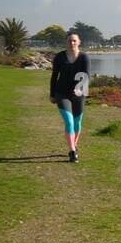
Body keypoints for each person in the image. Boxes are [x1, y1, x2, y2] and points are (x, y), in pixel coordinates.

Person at [49, 32, 90, 162]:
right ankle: (72, 151)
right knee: (69, 121)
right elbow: (54, 76)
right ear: (66, 42)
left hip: (79, 94)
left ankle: (74, 144)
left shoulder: (84, 57)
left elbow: (87, 76)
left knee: (77, 123)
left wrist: (80, 90)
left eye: (74, 41)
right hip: (62, 93)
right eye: (69, 41)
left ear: (79, 42)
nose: (71, 43)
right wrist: (52, 94)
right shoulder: (60, 57)